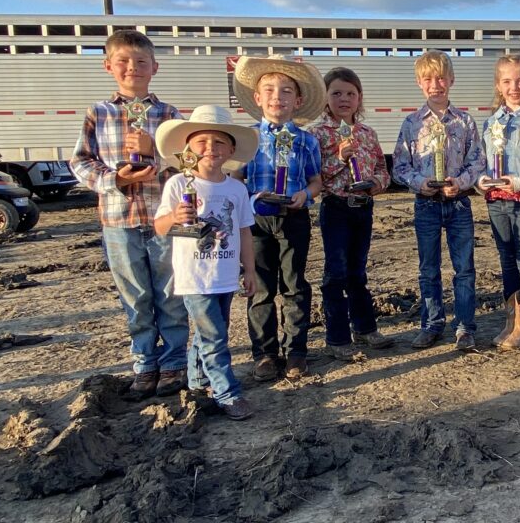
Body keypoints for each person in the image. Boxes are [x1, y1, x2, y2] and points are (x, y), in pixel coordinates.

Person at [70, 29, 189, 400]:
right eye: (123, 61)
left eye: (140, 62)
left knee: (169, 293)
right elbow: (80, 162)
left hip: (164, 217)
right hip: (119, 220)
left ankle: (173, 362)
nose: (132, 68)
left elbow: (188, 162)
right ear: (108, 66)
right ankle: (144, 362)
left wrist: (155, 152)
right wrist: (114, 179)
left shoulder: (169, 115)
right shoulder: (98, 113)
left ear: (154, 67)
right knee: (135, 296)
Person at [153, 105, 259, 420]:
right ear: (188, 149)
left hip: (225, 273)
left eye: (218, 142)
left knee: (210, 331)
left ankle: (198, 382)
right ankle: (228, 394)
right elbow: (159, 227)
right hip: (194, 276)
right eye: (202, 142)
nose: (210, 148)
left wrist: (249, 269)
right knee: (215, 336)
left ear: (231, 149)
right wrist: (175, 217)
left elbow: (244, 232)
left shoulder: (236, 189)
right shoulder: (178, 185)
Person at [233, 55, 325, 381]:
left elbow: (316, 180)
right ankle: (265, 353)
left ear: (297, 101)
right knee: (259, 287)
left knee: (295, 285)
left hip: (294, 218)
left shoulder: (307, 140)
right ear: (257, 98)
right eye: (269, 90)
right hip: (256, 222)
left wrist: (307, 194)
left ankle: (297, 350)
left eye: (286, 91)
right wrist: (249, 197)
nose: (277, 97)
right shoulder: (245, 140)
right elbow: (236, 180)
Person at [392, 50, 486, 351]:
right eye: (429, 79)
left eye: (441, 77)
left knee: (464, 269)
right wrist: (422, 184)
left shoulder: (465, 122)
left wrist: (460, 183)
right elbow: (400, 165)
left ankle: (465, 327)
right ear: (420, 83)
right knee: (428, 268)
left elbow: (477, 161)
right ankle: (432, 323)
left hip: (458, 204)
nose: (436, 84)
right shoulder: (411, 124)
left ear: (452, 80)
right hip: (427, 205)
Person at [309, 67, 393, 360]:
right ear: (325, 97)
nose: (344, 99)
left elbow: (383, 169)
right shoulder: (317, 134)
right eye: (337, 93)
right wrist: (338, 158)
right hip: (336, 209)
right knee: (336, 273)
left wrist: (375, 185)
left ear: (359, 99)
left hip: (363, 209)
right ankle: (337, 337)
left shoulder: (368, 134)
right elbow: (317, 175)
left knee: (358, 272)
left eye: (350, 94)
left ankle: (365, 328)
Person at [475, 55, 520, 350]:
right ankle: (512, 321)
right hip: (496, 200)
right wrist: (481, 181)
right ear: (498, 85)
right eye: (507, 81)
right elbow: (481, 160)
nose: (514, 87)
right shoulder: (491, 122)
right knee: (506, 260)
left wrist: (518, 181)